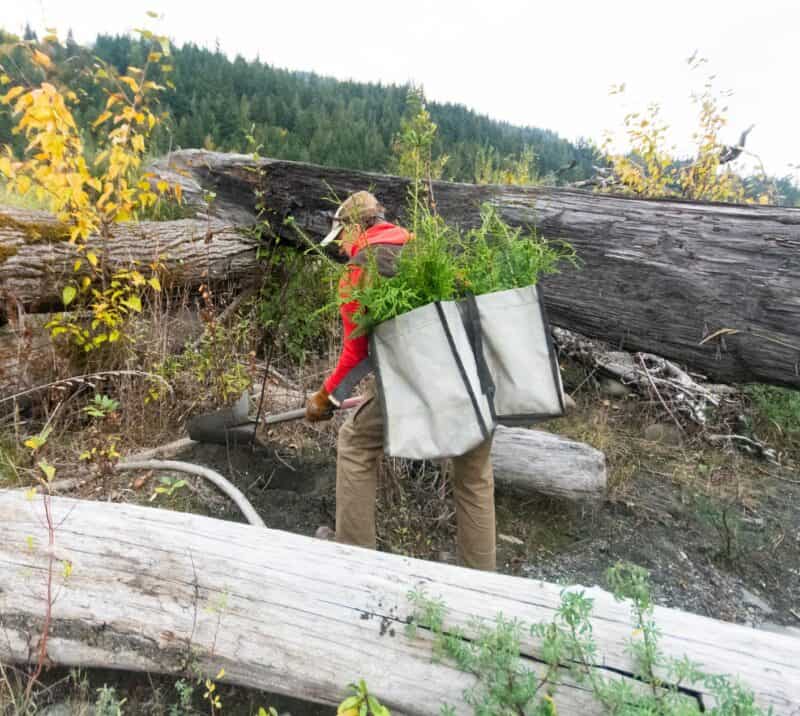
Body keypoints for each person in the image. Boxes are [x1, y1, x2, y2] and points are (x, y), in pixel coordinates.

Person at [305, 191, 496, 571]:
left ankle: (354, 557)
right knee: (474, 472)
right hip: (471, 374)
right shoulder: (427, 250)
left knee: (355, 442)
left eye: (341, 237)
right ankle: (483, 579)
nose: (341, 248)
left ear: (355, 228)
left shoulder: (361, 268)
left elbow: (356, 354)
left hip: (416, 381)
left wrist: (325, 398)